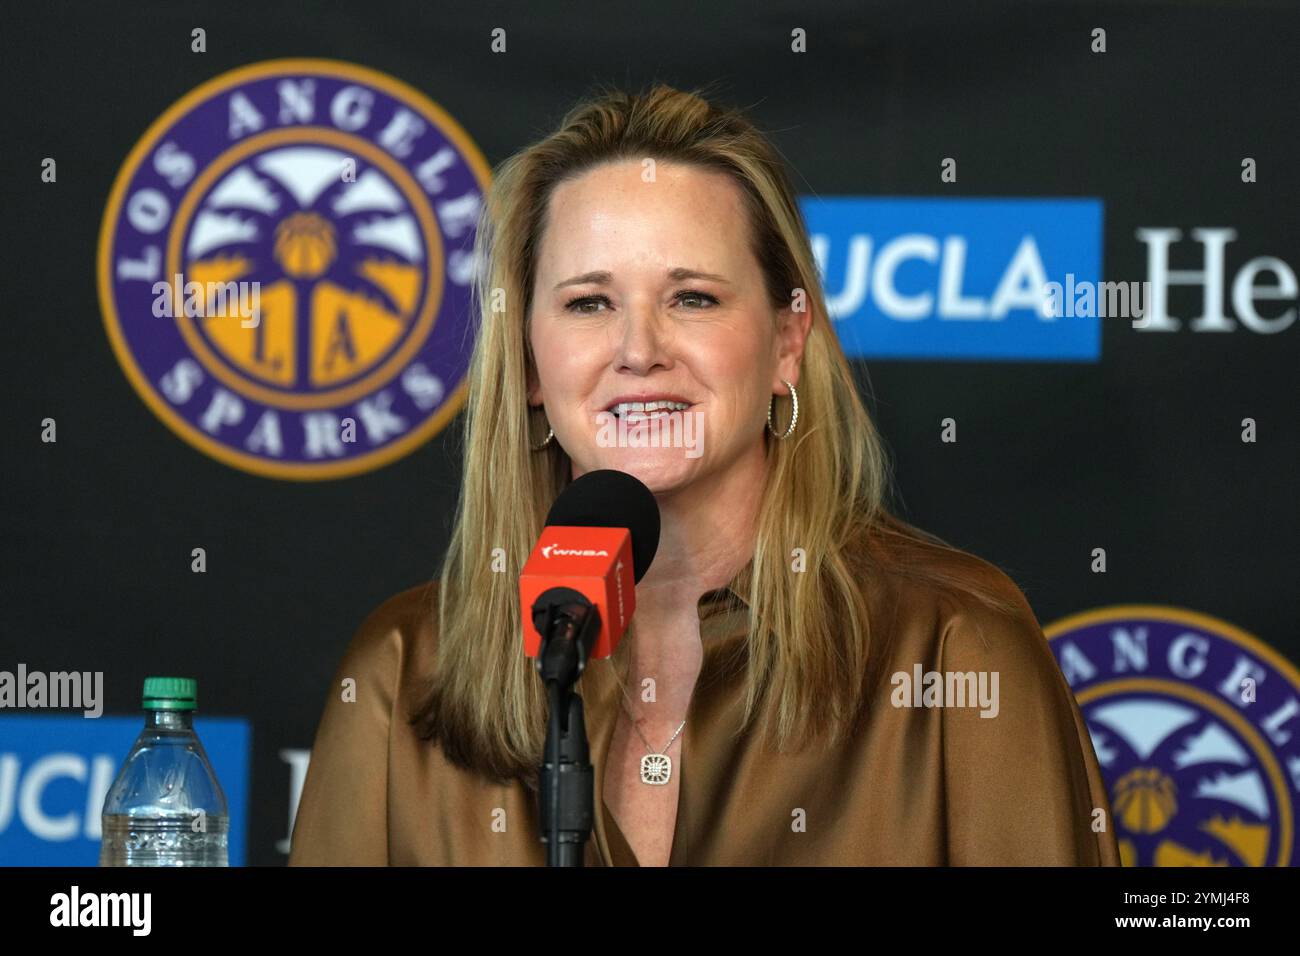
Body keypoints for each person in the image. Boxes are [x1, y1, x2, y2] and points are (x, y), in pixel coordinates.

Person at [288, 83, 1120, 867]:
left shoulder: (955, 644)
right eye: (588, 303)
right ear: (530, 365)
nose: (639, 349)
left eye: (692, 298)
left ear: (787, 344)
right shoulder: (402, 670)